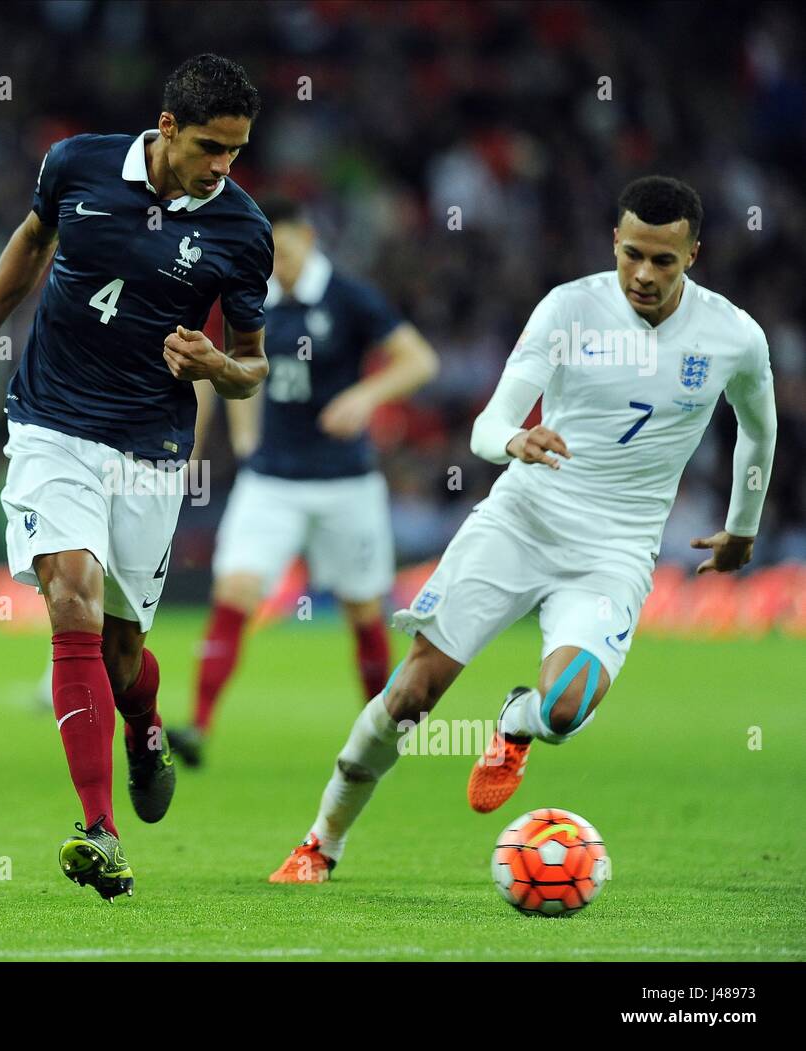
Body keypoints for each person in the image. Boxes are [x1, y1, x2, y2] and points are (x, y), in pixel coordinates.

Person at [269, 175, 777, 883]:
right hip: (523, 519)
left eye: (664, 260)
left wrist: (742, 528)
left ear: (694, 253)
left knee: (565, 709)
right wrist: (515, 441)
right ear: (615, 242)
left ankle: (517, 722)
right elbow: (489, 423)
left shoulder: (734, 336)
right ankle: (321, 841)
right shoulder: (570, 309)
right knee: (413, 695)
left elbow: (760, 427)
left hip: (615, 550)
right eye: (633, 254)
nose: (644, 274)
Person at [0, 54, 273, 900]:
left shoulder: (242, 230)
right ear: (170, 127)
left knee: (121, 659)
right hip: (50, 424)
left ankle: (144, 722)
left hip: (150, 450)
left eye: (238, 153)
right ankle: (98, 829)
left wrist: (216, 361)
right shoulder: (75, 165)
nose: (224, 167)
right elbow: (32, 242)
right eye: (212, 148)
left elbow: (255, 366)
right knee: (68, 592)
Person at [166, 197, 439, 769]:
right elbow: (224, 372)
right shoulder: (250, 297)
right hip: (272, 482)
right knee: (235, 592)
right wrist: (237, 439)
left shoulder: (348, 297)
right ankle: (198, 723)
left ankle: (382, 732)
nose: (277, 265)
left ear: (309, 239)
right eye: (268, 254)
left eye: (284, 252)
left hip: (347, 483)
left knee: (364, 610)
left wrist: (364, 397)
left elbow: (419, 361)